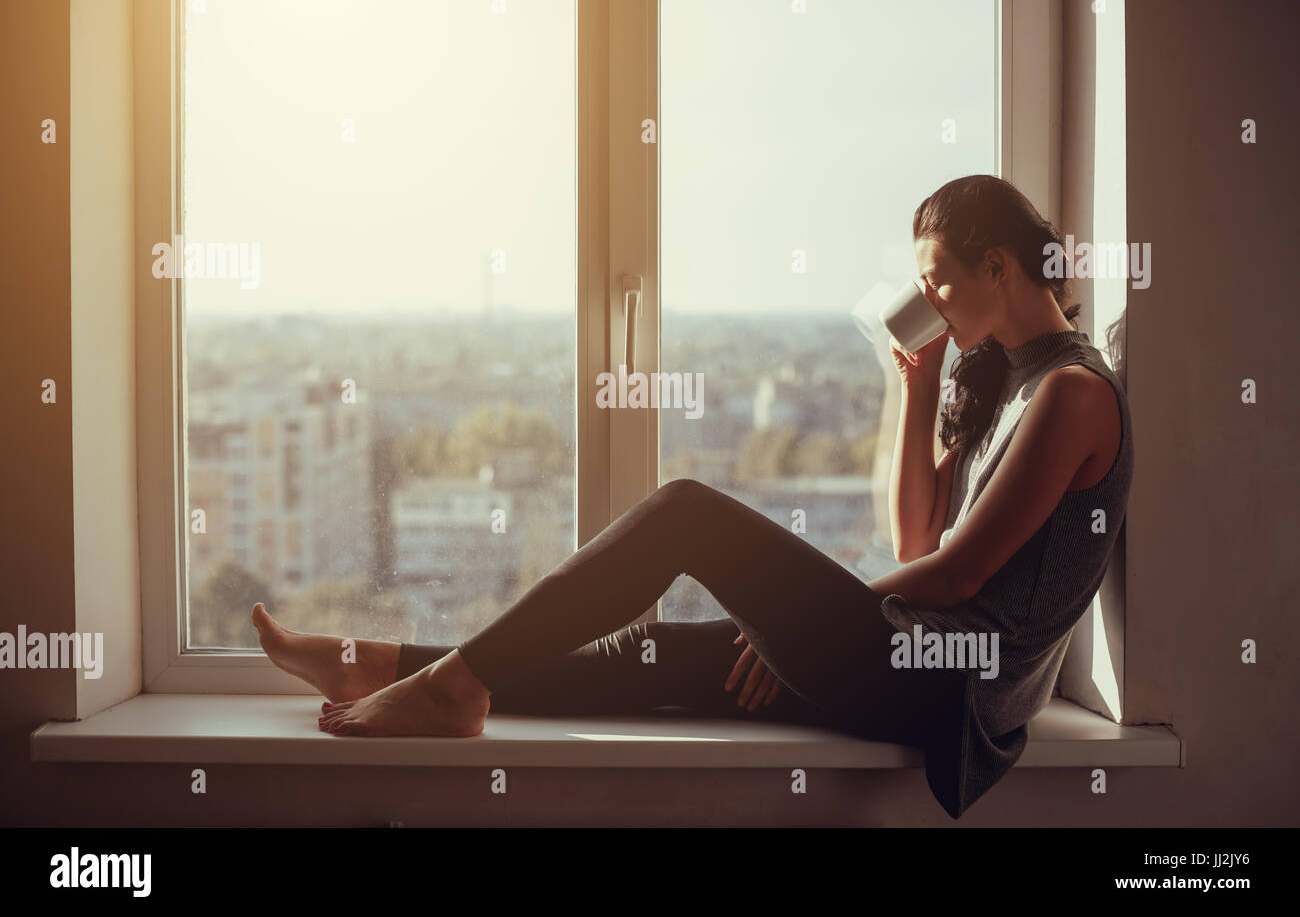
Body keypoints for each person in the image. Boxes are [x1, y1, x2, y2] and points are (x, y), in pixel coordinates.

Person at [252, 174, 1133, 818]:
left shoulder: (1072, 393)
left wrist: (807, 626)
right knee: (664, 656)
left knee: (685, 513)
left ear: (998, 266)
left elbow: (954, 574)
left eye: (938, 280)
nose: (930, 303)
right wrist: (912, 390)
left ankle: (451, 686)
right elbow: (913, 538)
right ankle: (382, 664)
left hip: (955, 688)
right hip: (915, 651)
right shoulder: (1003, 377)